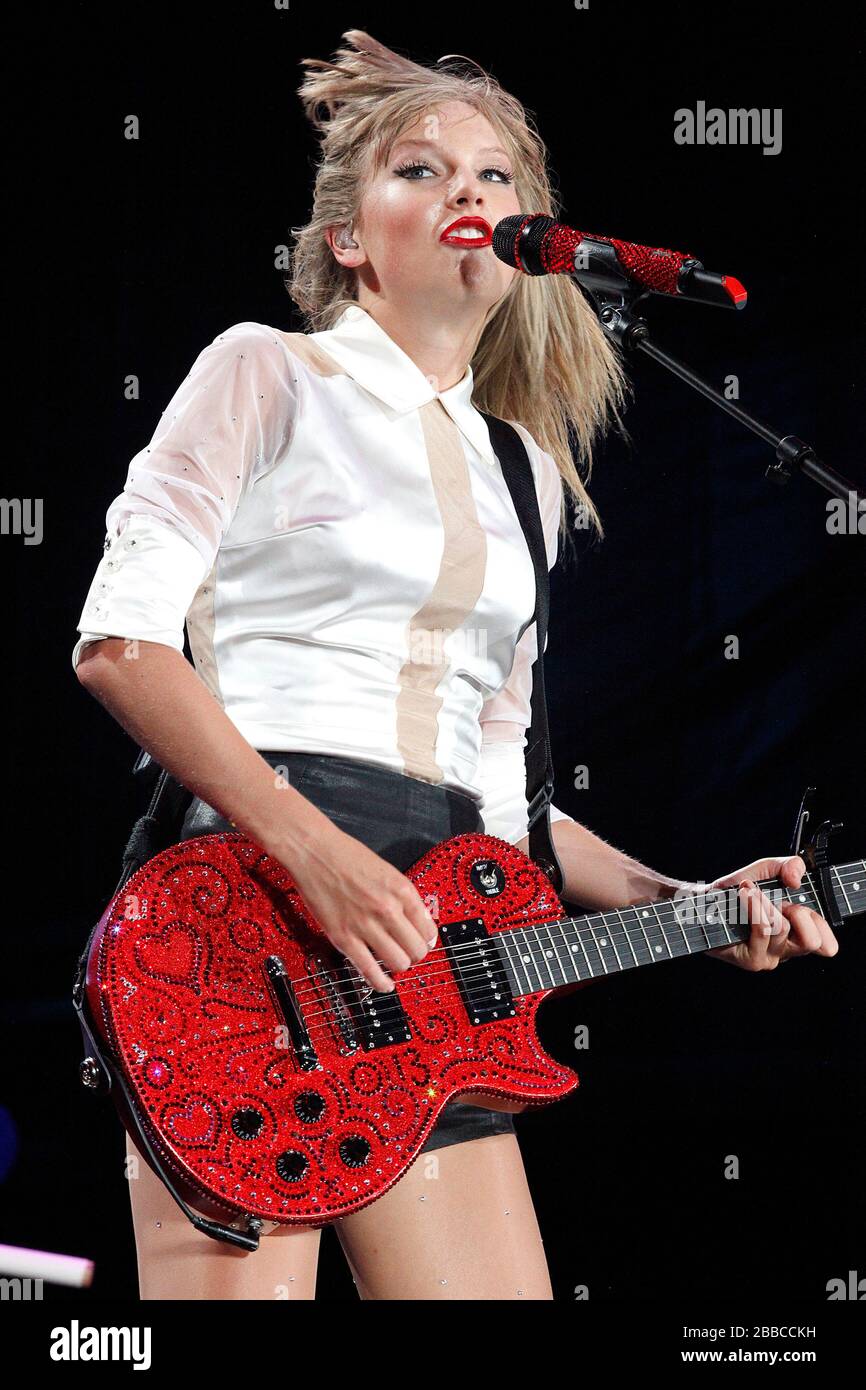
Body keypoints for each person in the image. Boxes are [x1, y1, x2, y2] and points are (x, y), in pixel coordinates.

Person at [72, 30, 839, 1301]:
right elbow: (121, 647)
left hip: (437, 956)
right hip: (240, 914)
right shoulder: (266, 371)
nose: (468, 196)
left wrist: (686, 900)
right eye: (420, 171)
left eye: (494, 178)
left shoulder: (523, 473)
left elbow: (505, 806)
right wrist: (315, 854)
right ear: (349, 242)